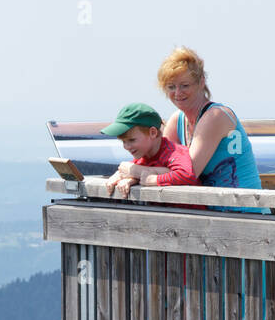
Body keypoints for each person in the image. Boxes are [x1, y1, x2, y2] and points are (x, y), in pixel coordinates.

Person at [157, 46, 264, 213]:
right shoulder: (177, 120)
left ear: (201, 82)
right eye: (171, 87)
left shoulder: (215, 116)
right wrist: (128, 174)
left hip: (246, 215)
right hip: (213, 218)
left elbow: (187, 173)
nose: (178, 93)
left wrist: (140, 173)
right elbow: (158, 162)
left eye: (184, 85)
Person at [101, 103, 198, 198]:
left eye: (132, 140)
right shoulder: (143, 157)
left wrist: (154, 179)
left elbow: (186, 174)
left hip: (189, 212)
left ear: (153, 133)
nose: (126, 146)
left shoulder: (173, 152)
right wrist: (125, 177)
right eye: (123, 142)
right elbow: (128, 170)